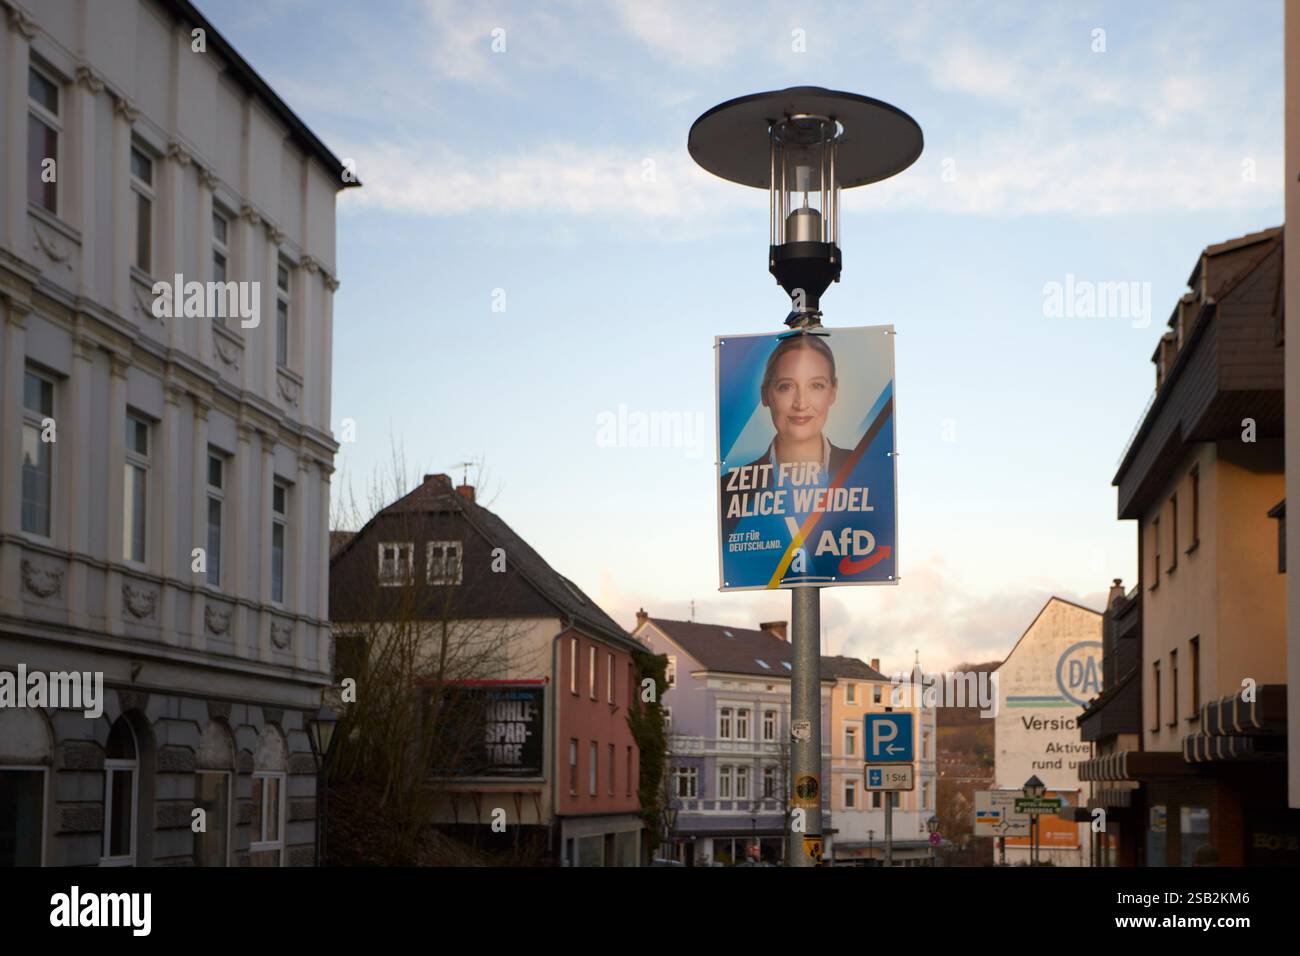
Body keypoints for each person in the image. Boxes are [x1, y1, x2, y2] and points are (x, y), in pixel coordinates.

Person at [720, 333, 851, 540]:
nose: (800, 403)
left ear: (832, 392)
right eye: (786, 387)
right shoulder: (728, 490)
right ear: (766, 395)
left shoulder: (863, 469)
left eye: (816, 385)